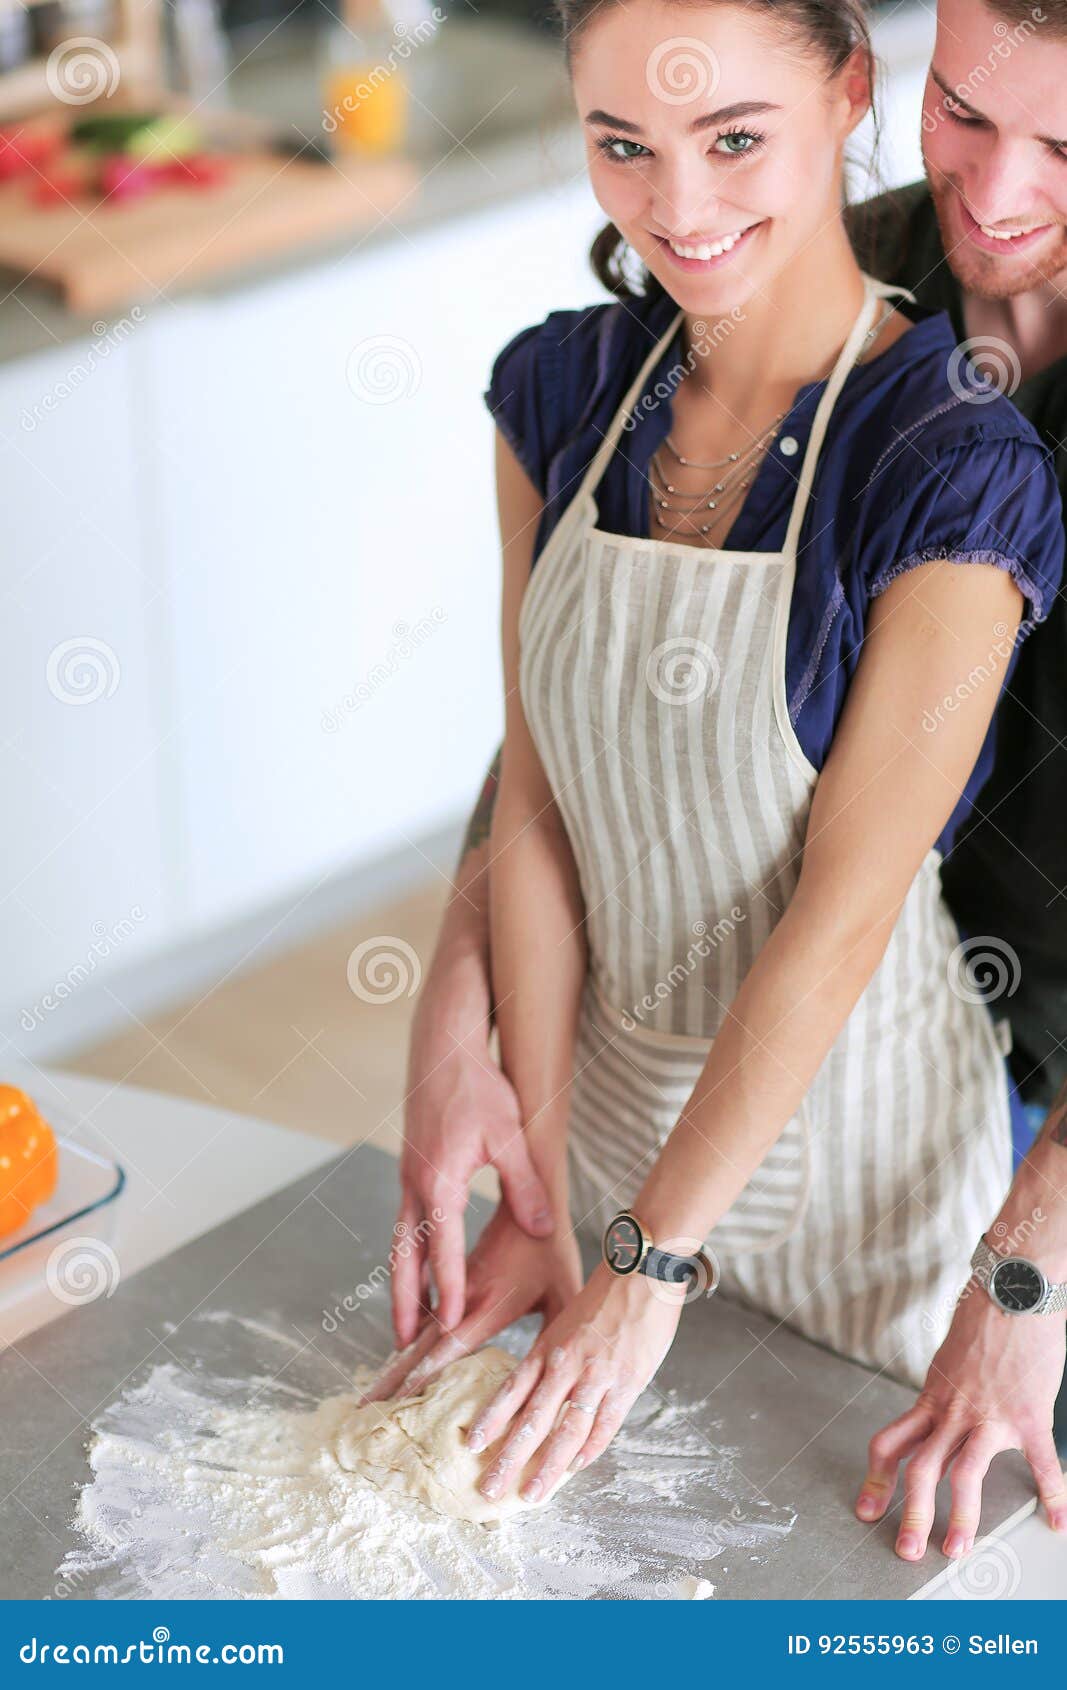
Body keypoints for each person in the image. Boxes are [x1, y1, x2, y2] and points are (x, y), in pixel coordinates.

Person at [374, 0, 1066, 1562]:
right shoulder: (568, 391)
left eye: (734, 141)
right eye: (624, 146)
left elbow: (844, 908)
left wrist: (649, 1269)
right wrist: (543, 1172)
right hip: (615, 1145)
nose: (680, 209)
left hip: (883, 1180)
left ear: (839, 99)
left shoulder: (951, 464)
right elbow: (545, 787)